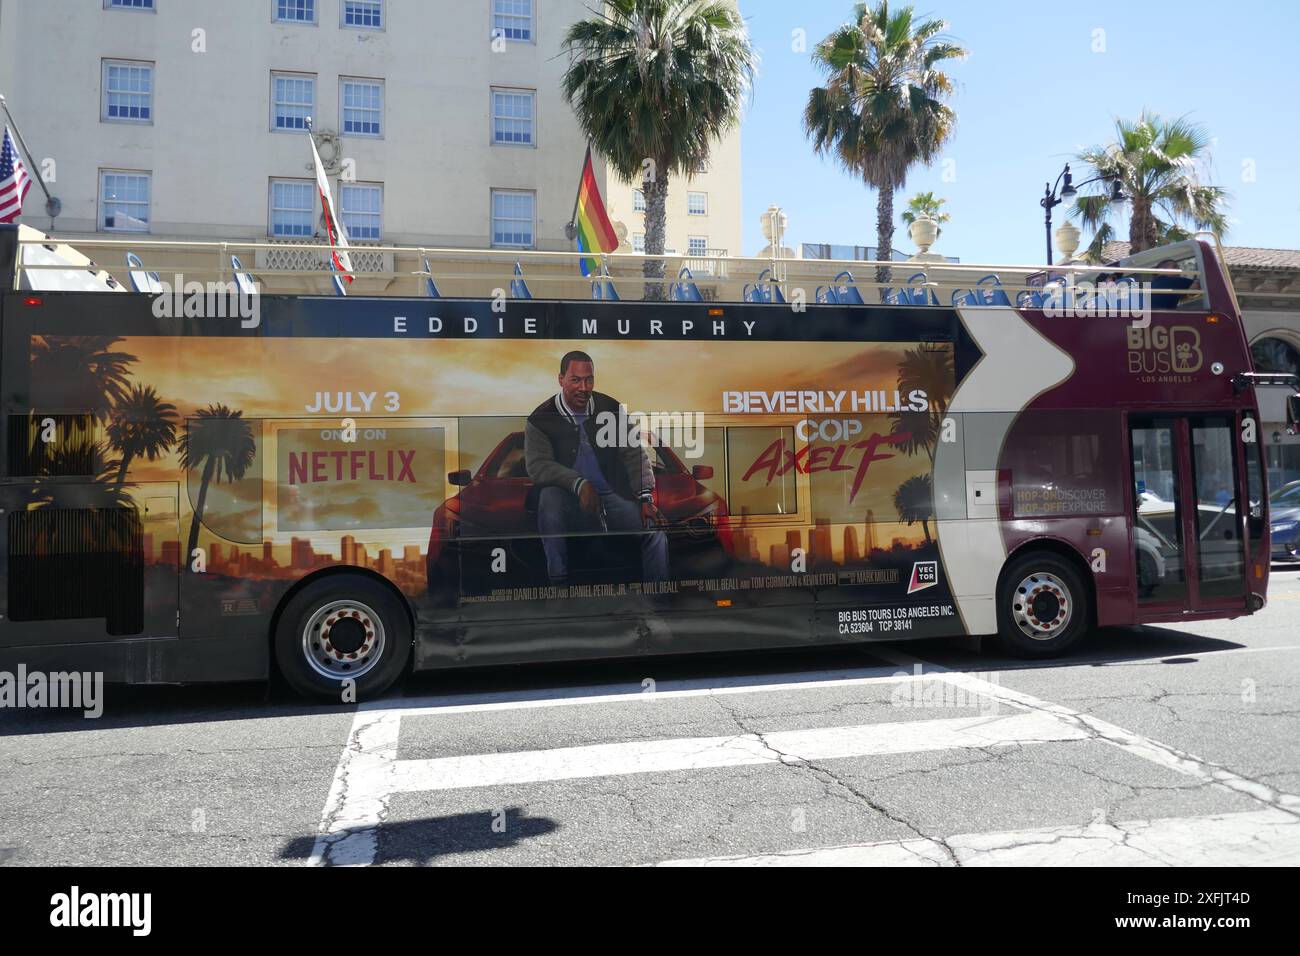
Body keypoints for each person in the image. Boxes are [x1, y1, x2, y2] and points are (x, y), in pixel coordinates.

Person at [524, 350, 668, 585]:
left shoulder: (610, 407)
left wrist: (645, 498)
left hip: (612, 492)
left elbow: (633, 452)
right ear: (561, 379)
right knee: (548, 501)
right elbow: (539, 466)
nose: (584, 387)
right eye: (576, 380)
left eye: (589, 379)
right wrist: (579, 484)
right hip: (568, 497)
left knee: (654, 531)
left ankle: (659, 597)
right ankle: (558, 584)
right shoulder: (539, 419)